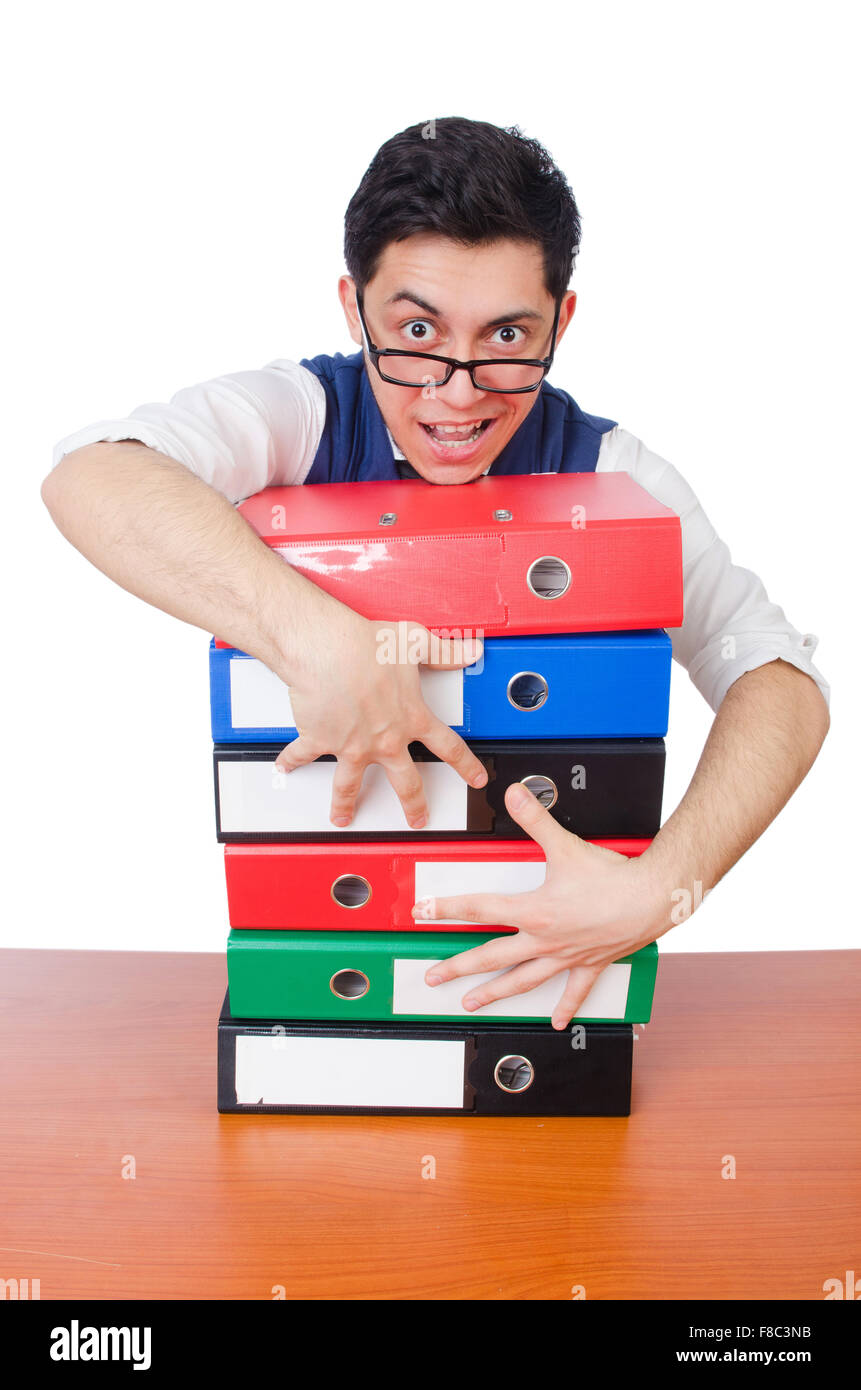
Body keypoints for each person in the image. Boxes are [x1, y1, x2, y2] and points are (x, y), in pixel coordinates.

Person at [43, 117, 830, 1029]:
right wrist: (322, 644)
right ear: (353, 308)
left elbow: (776, 676)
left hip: (535, 986)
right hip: (320, 945)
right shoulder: (299, 414)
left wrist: (661, 890)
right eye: (416, 329)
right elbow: (91, 476)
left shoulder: (613, 473)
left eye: (506, 335)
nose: (457, 393)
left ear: (560, 322)